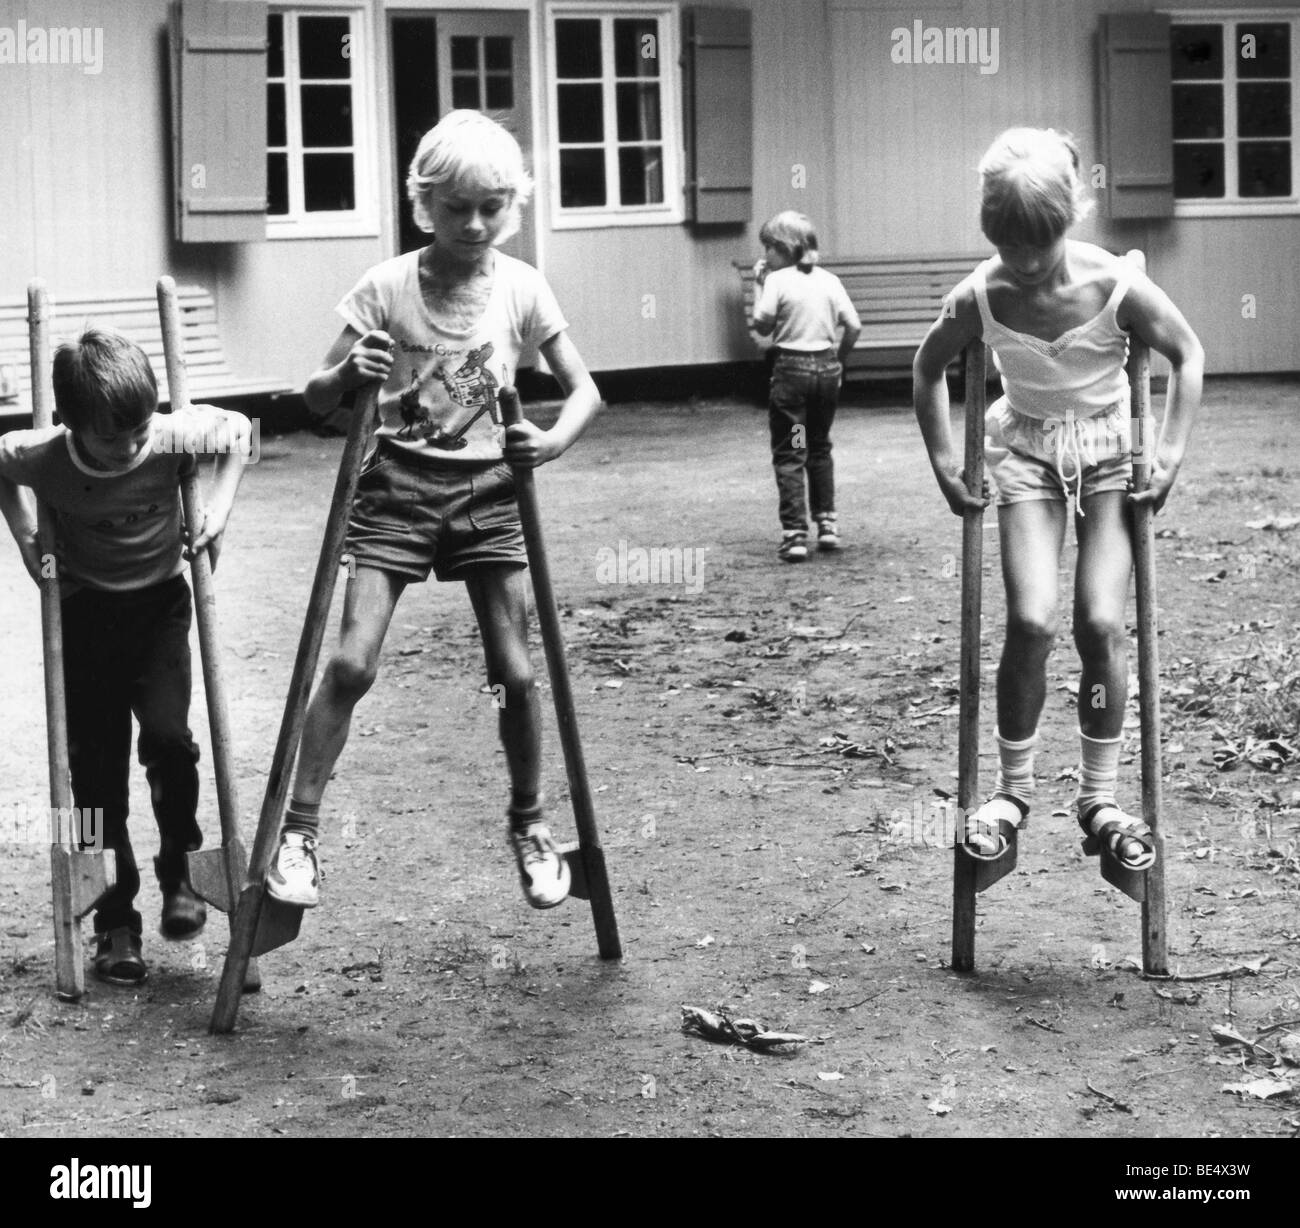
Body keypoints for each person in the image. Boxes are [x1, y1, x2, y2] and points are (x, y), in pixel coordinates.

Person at [265, 110, 600, 913]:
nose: (475, 224)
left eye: (492, 207)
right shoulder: (385, 285)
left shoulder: (521, 286)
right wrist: (350, 374)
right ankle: (300, 832)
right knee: (351, 663)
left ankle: (529, 823)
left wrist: (549, 442)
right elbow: (312, 400)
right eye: (457, 208)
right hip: (396, 487)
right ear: (425, 204)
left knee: (517, 674)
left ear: (512, 205)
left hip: (490, 492)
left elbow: (586, 389)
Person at [913, 127, 1203, 874]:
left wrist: (1167, 452)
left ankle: (1100, 797)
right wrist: (947, 462)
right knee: (1032, 620)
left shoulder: (1114, 284)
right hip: (1030, 457)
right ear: (991, 232)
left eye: (1040, 245)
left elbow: (1188, 353)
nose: (1029, 262)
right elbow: (926, 369)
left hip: (1110, 457)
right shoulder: (983, 293)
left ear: (1072, 216)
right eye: (1012, 246)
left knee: (1101, 620)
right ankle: (1012, 794)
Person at [0, 328, 251, 984]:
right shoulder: (45, 456)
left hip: (160, 612)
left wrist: (216, 510)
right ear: (72, 426)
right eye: (113, 438)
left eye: (141, 430)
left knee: (171, 742)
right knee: (94, 774)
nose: (133, 446)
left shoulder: (167, 435)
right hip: (86, 619)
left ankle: (183, 879)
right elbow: (0, 463)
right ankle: (115, 922)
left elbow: (241, 436)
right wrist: (28, 539)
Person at [750, 210, 861, 561]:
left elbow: (762, 326)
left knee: (791, 449)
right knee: (818, 446)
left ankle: (795, 533)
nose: (765, 255)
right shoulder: (829, 280)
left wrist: (759, 285)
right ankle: (827, 524)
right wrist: (839, 360)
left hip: (792, 376)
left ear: (784, 248)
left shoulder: (778, 280)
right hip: (826, 373)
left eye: (768, 247)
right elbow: (854, 325)